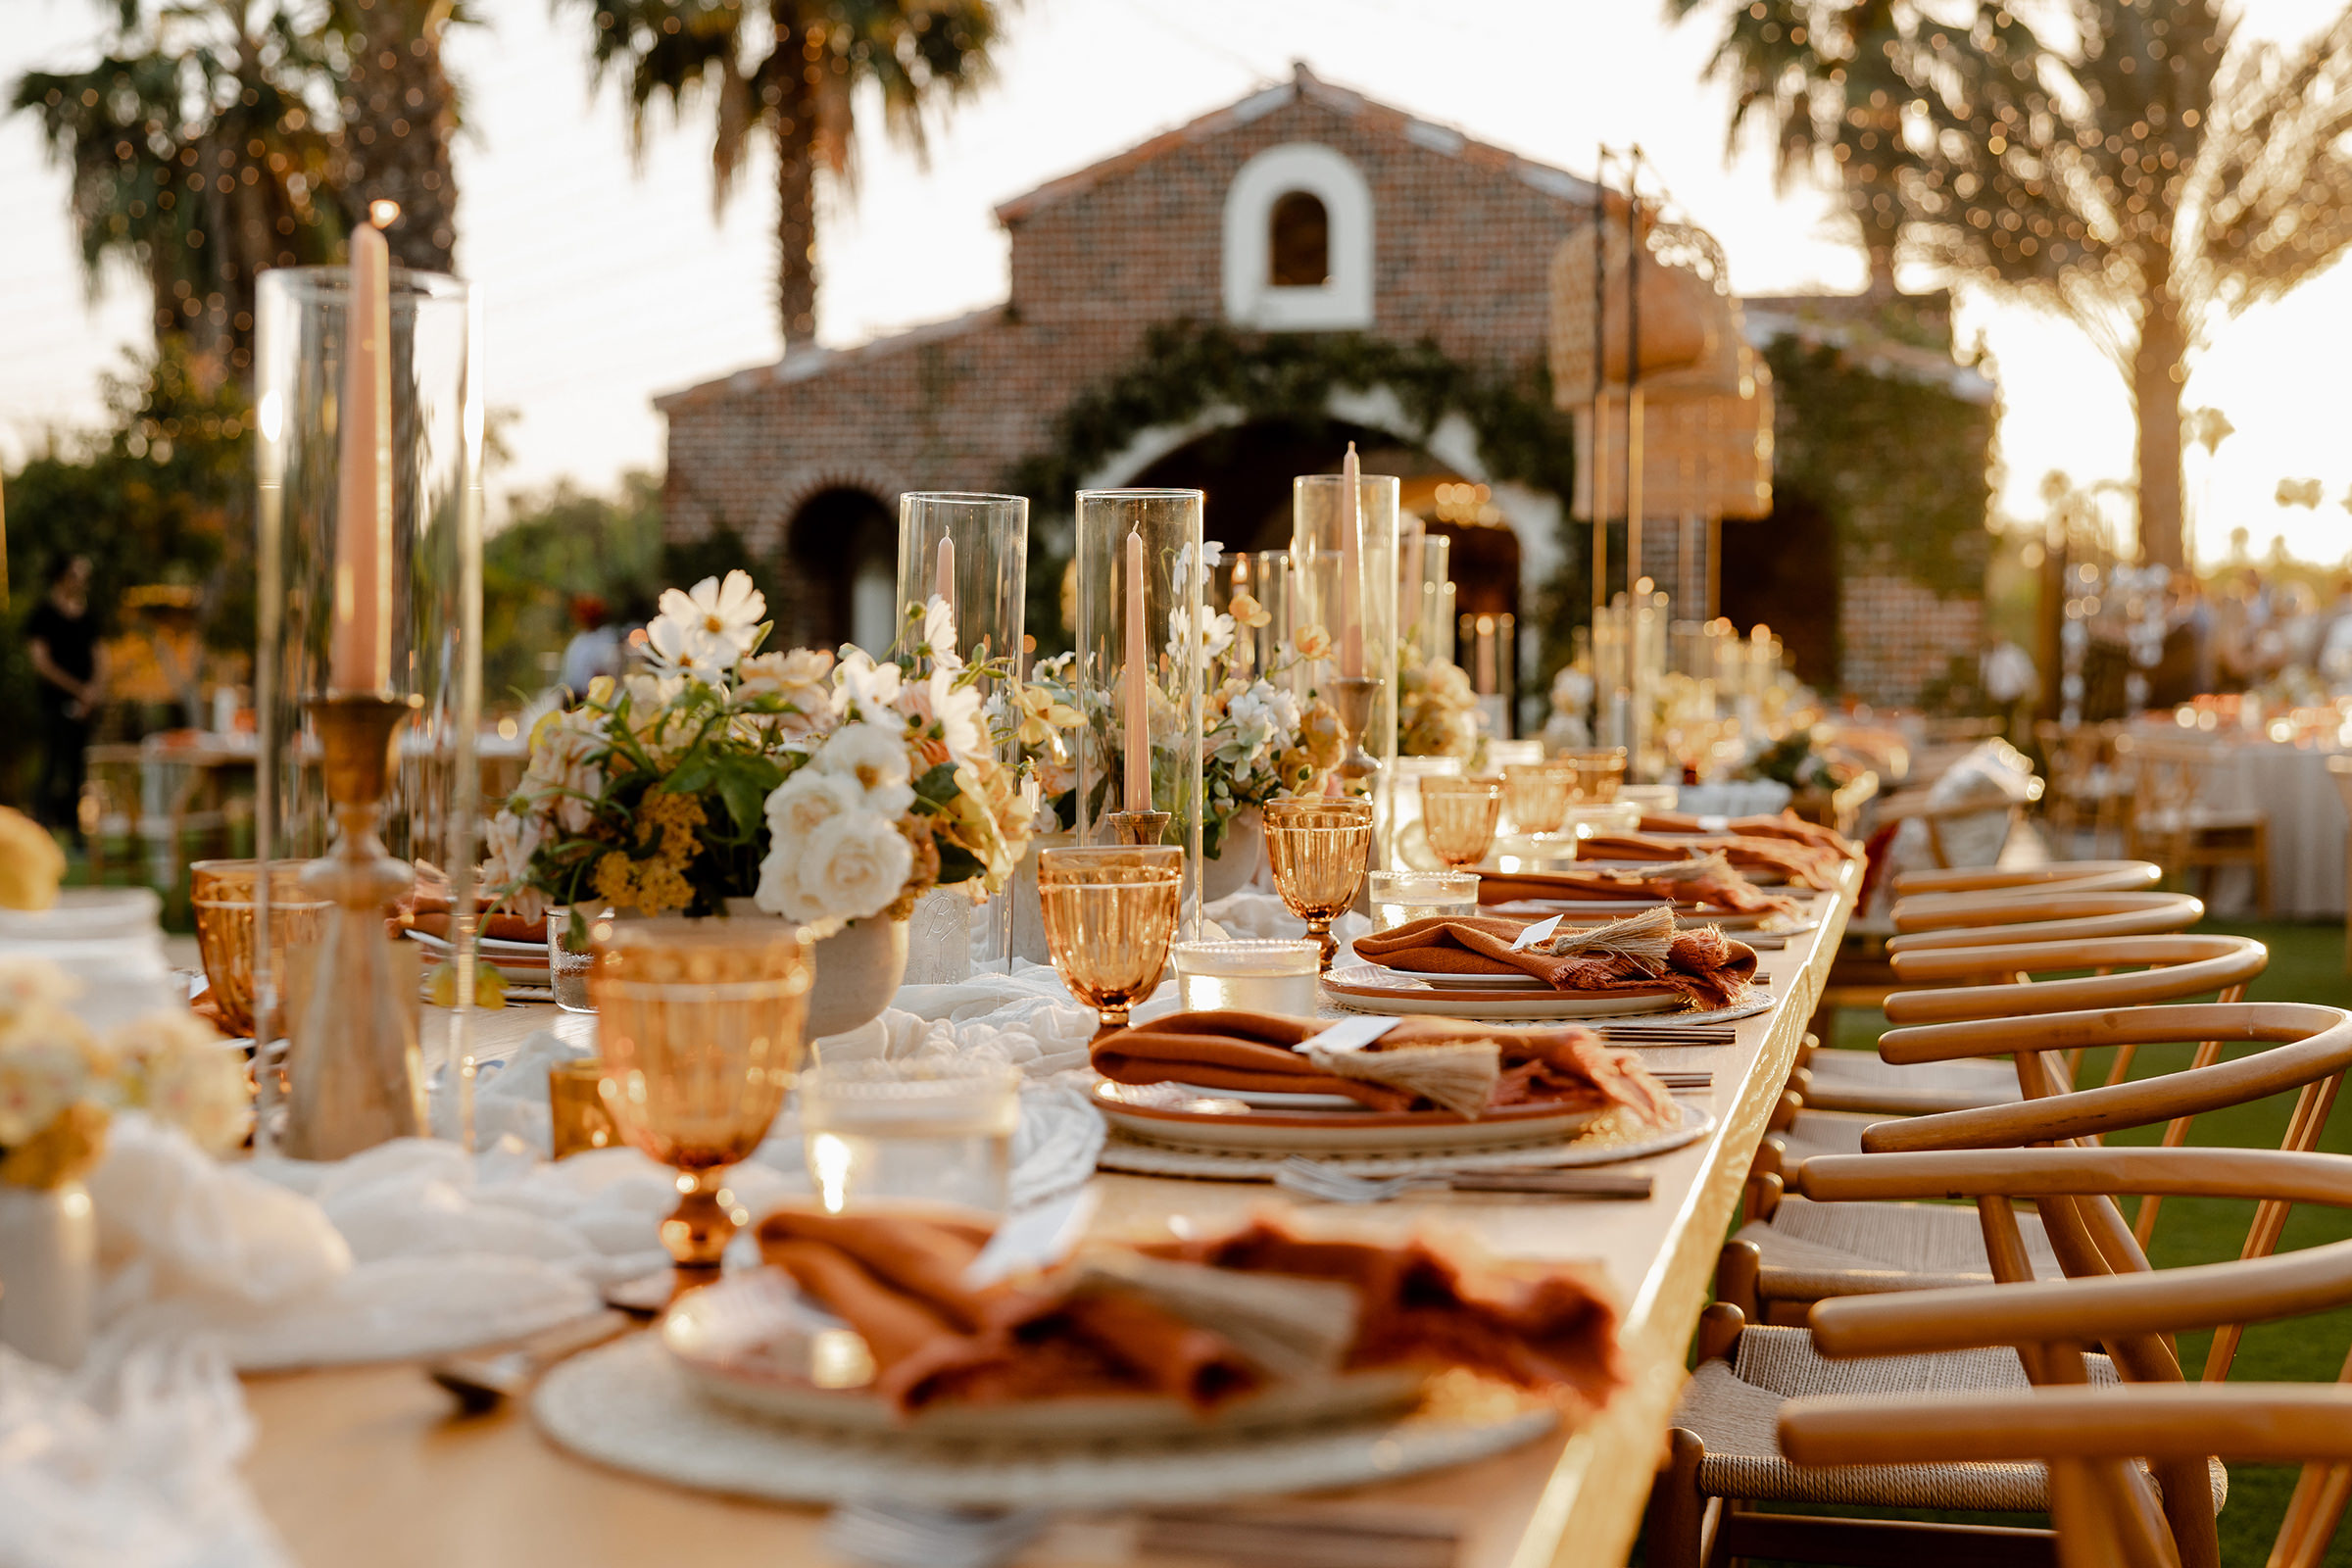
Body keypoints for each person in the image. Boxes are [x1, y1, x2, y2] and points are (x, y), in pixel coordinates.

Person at [24, 555, 106, 835]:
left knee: (77, 768)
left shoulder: (89, 616)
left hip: (86, 705)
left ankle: (76, 832)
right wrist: (78, 689)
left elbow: (99, 656)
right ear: (63, 577)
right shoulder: (43, 614)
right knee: (51, 765)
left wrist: (93, 692)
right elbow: (41, 663)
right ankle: (40, 828)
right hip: (54, 703)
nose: (82, 582)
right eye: (77, 575)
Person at [558, 594, 624, 698]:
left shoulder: (607, 638)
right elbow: (567, 678)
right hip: (575, 698)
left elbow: (606, 674)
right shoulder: (578, 641)